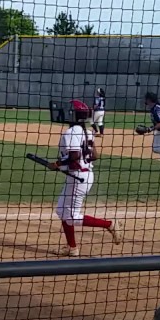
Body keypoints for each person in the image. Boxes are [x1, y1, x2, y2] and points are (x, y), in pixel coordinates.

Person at [48, 99, 119, 256]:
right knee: (61, 210)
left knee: (71, 216)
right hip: (83, 175)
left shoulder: (71, 132)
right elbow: (94, 156)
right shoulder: (88, 131)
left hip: (78, 178)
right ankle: (71, 247)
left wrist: (58, 164)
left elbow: (75, 155)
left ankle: (109, 224)